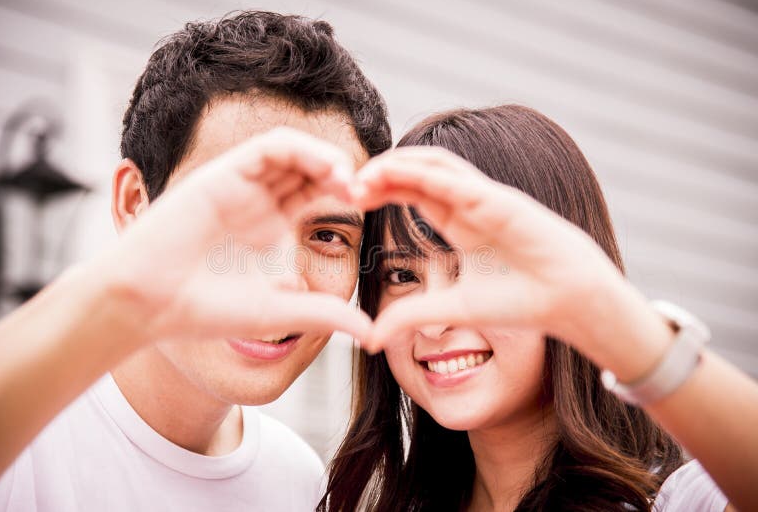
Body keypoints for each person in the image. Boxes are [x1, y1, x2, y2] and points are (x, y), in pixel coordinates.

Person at [0, 11, 390, 511]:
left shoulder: (298, 480)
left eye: (328, 234)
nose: (284, 279)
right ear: (133, 204)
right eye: (238, 213)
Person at [322, 105, 758, 511]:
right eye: (402, 276)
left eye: (481, 267)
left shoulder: (682, 500)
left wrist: (616, 321)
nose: (434, 321)